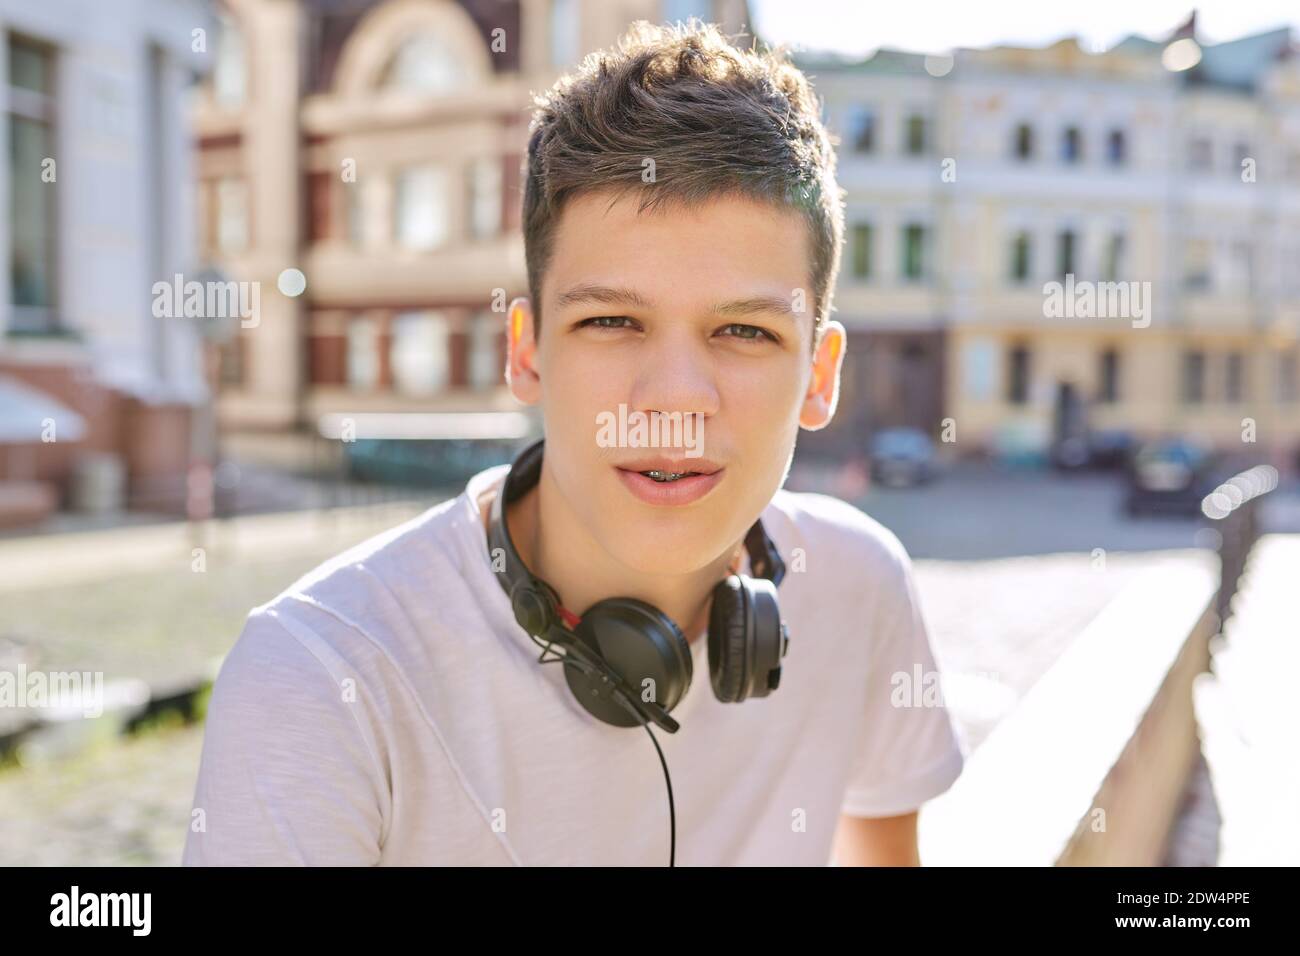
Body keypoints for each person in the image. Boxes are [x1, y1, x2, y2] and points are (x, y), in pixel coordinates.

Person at [183, 18, 963, 867]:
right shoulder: (316, 678)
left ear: (820, 376)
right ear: (527, 353)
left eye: (742, 331)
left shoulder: (860, 585)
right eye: (612, 321)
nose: (674, 400)